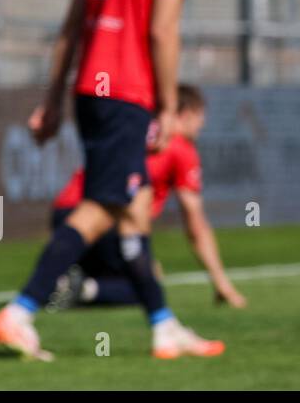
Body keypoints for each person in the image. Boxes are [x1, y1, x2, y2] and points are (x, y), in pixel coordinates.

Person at [0, 0, 225, 360]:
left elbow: (71, 30)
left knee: (131, 209)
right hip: (128, 92)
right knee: (100, 209)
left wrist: (52, 102)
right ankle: (22, 310)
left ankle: (163, 326)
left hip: (89, 91)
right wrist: (165, 104)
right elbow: (163, 29)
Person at [48, 83, 247, 310]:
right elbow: (196, 223)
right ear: (186, 113)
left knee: (127, 270)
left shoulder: (133, 128)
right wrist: (221, 282)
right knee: (148, 284)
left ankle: (63, 282)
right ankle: (84, 288)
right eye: (200, 116)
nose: (202, 124)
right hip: (106, 219)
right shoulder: (179, 148)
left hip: (65, 210)